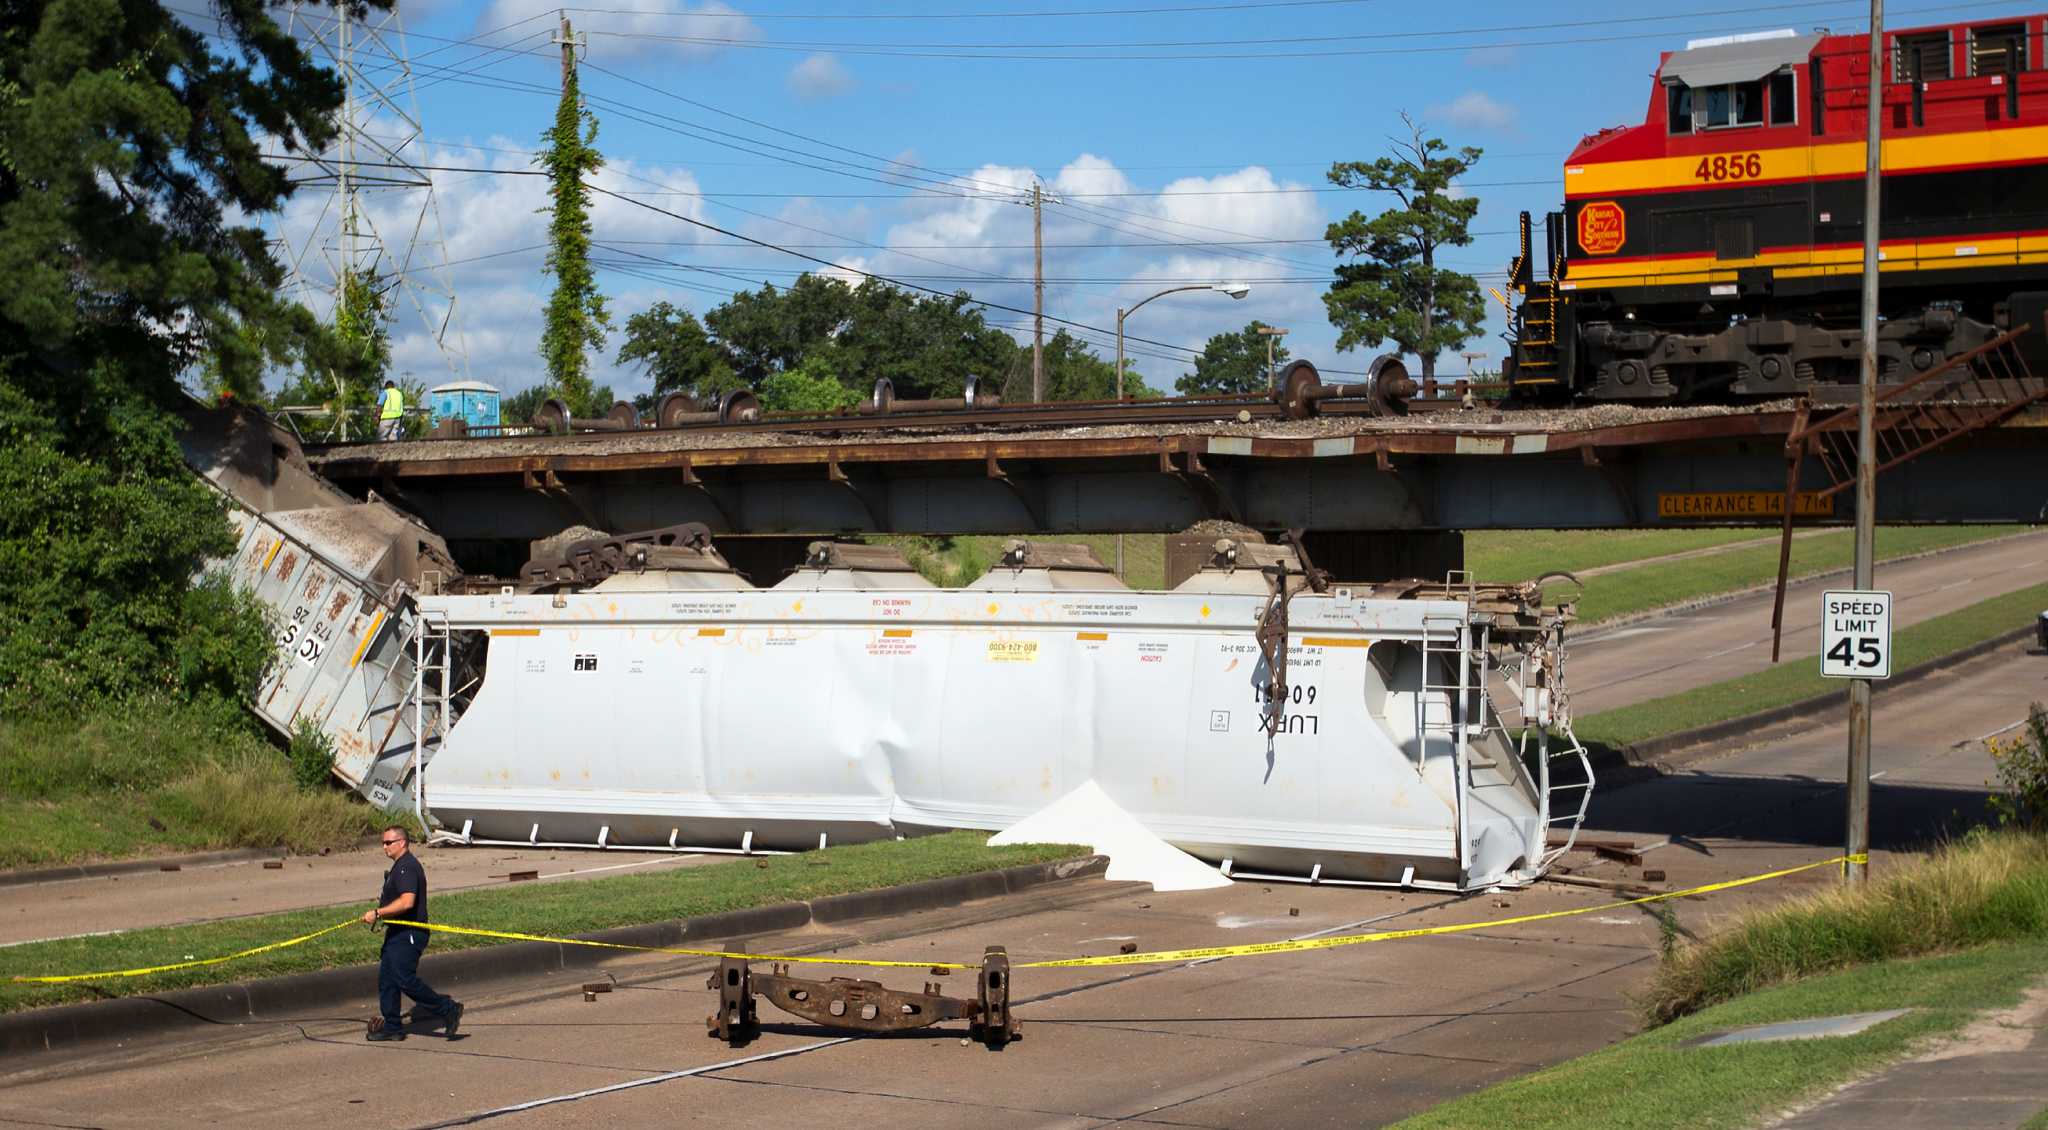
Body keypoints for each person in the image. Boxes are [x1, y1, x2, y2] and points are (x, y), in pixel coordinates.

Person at [363, 825, 462, 1041]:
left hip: (410, 933)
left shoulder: (407, 867)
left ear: (402, 843)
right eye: (383, 843)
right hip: (396, 932)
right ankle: (392, 1027)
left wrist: (378, 913)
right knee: (387, 980)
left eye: (388, 842)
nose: (384, 847)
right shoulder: (399, 867)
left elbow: (407, 902)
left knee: (404, 979)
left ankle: (448, 1009)